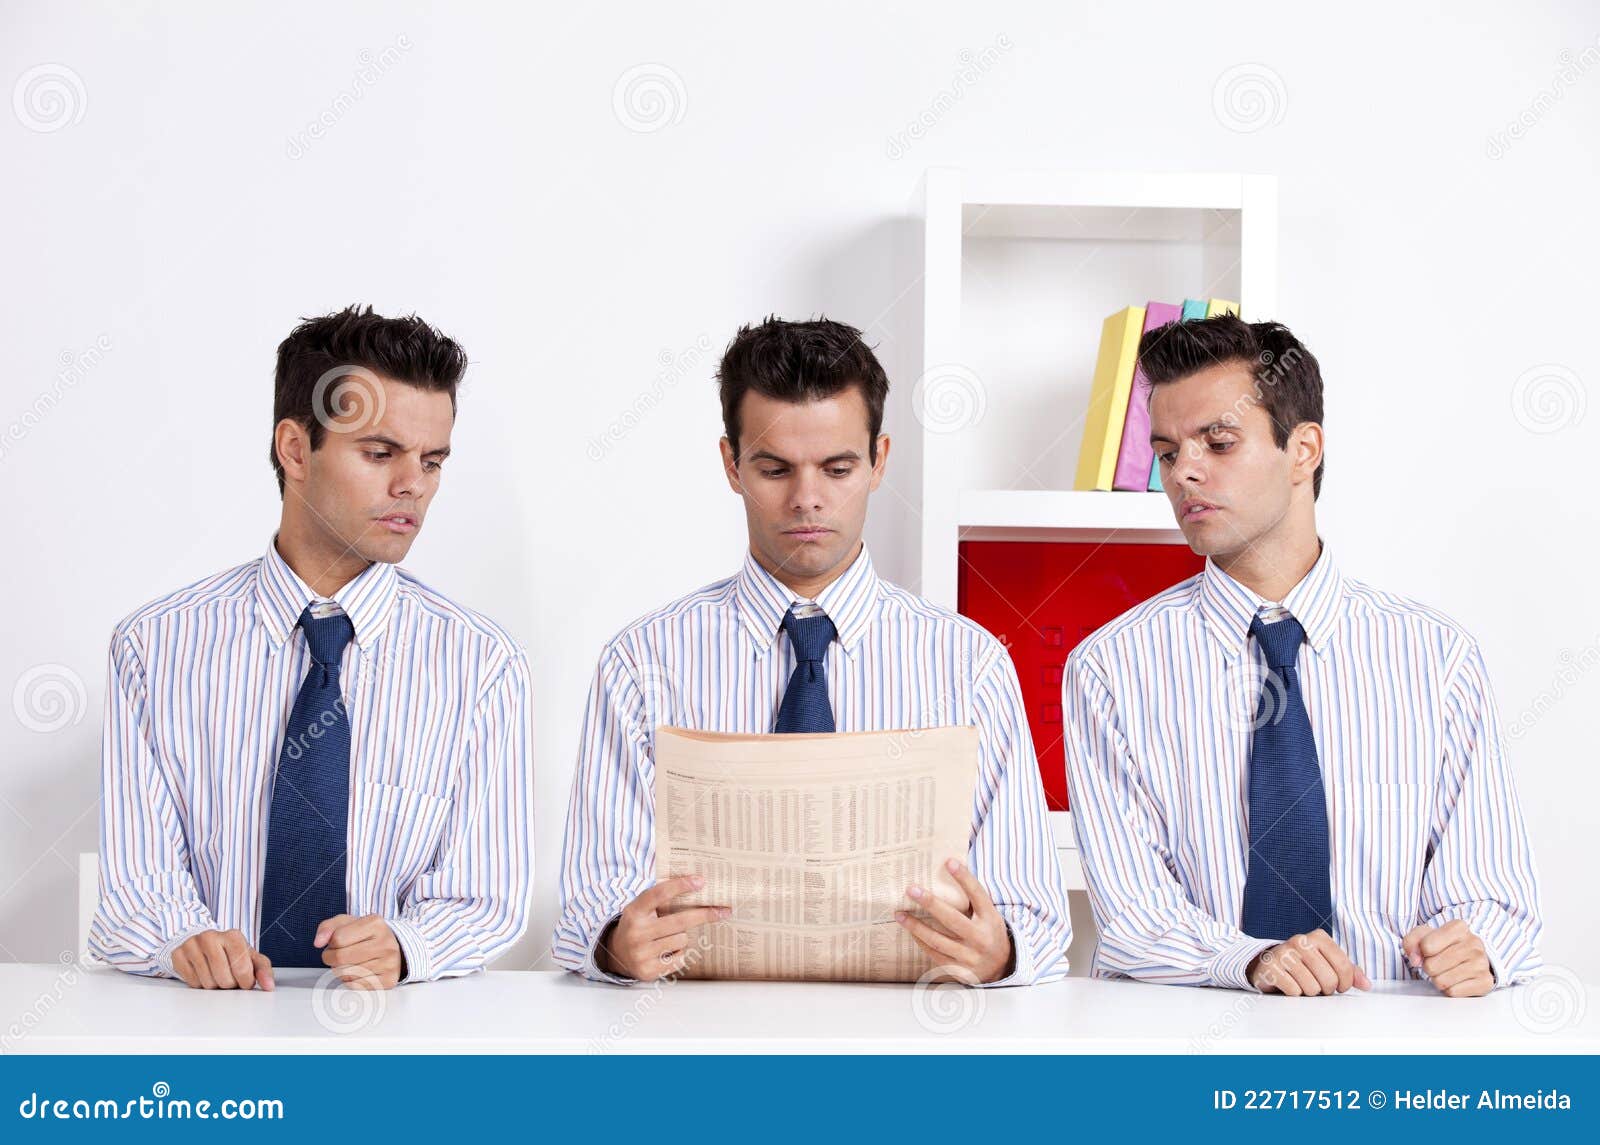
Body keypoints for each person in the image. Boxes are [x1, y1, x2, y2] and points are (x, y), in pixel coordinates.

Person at [553, 316, 1071, 986]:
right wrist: (615, 945)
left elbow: (1035, 915)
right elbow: (587, 908)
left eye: (838, 467)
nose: (807, 499)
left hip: (910, 1039)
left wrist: (1000, 953)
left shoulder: (968, 664)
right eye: (773, 468)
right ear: (731, 464)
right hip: (698, 1038)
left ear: (879, 460)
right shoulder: (643, 660)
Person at [1063, 314, 1541, 997]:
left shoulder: (1436, 658)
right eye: (1167, 452)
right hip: (1186, 1045)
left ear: (1303, 449)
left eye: (1218, 442)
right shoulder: (1110, 669)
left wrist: (1479, 948)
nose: (1183, 472)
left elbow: (1498, 895)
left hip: (1388, 1050)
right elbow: (1134, 915)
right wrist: (1252, 959)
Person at [89, 305, 533, 991]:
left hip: (391, 1040)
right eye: (380, 453)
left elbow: (486, 897)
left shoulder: (481, 664)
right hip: (205, 1033)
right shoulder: (154, 647)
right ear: (296, 449)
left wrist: (408, 944)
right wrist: (181, 940)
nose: (412, 484)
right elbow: (133, 889)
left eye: (432, 460)